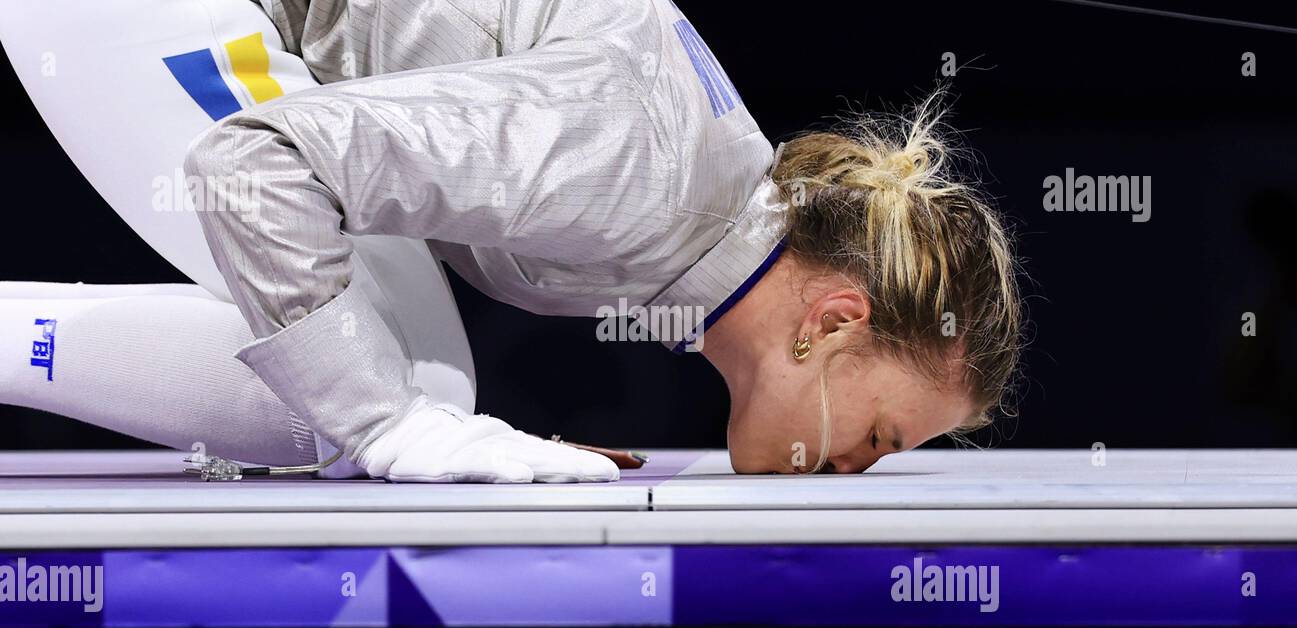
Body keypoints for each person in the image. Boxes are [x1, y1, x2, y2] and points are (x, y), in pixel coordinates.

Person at [0, 0, 1022, 482]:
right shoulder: (639, 167)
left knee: (410, 381)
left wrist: (431, 425)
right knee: (387, 398)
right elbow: (256, 166)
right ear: (834, 319)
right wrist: (393, 428)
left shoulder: (694, 218)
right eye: (877, 439)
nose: (850, 471)